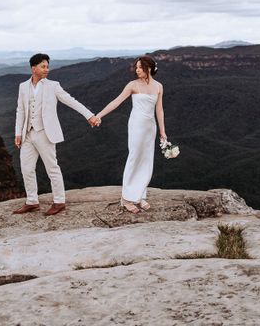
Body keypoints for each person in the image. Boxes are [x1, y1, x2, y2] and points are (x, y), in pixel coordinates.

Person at [13, 53, 100, 216]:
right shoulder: (23, 86)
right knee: (26, 168)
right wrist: (18, 132)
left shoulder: (53, 86)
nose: (47, 69)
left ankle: (59, 201)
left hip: (45, 133)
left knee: (52, 167)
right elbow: (20, 110)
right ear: (34, 68)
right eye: (43, 66)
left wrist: (90, 115)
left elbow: (71, 100)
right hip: (27, 133)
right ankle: (32, 201)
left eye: (47, 66)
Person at [95, 56, 166, 214]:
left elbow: (159, 110)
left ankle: (139, 194)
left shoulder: (159, 86)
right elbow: (116, 102)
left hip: (150, 127)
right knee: (134, 157)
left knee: (147, 160)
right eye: (137, 67)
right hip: (136, 125)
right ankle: (126, 198)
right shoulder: (132, 85)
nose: (137, 69)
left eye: (140, 67)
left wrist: (162, 131)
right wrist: (99, 115)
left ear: (149, 68)